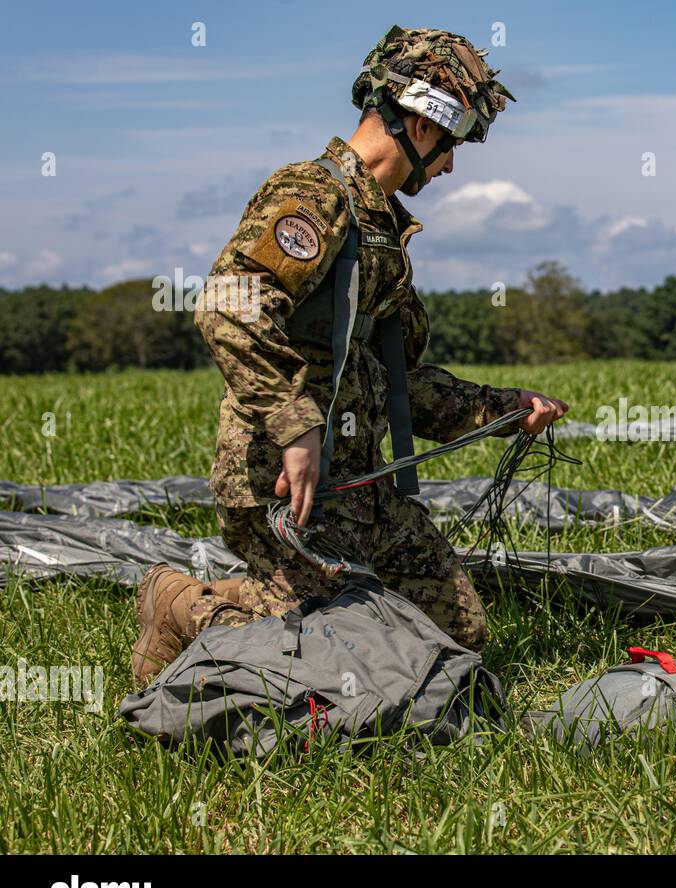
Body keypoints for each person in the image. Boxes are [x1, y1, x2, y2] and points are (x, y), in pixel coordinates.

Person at [132, 26, 568, 685]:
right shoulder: (314, 196)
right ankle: (182, 605)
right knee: (323, 661)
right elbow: (227, 301)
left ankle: (326, 605)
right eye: (455, 144)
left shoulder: (379, 226)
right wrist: (294, 422)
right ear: (424, 126)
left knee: (459, 636)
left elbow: (401, 383)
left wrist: (504, 409)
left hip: (362, 488)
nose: (451, 166)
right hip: (284, 486)